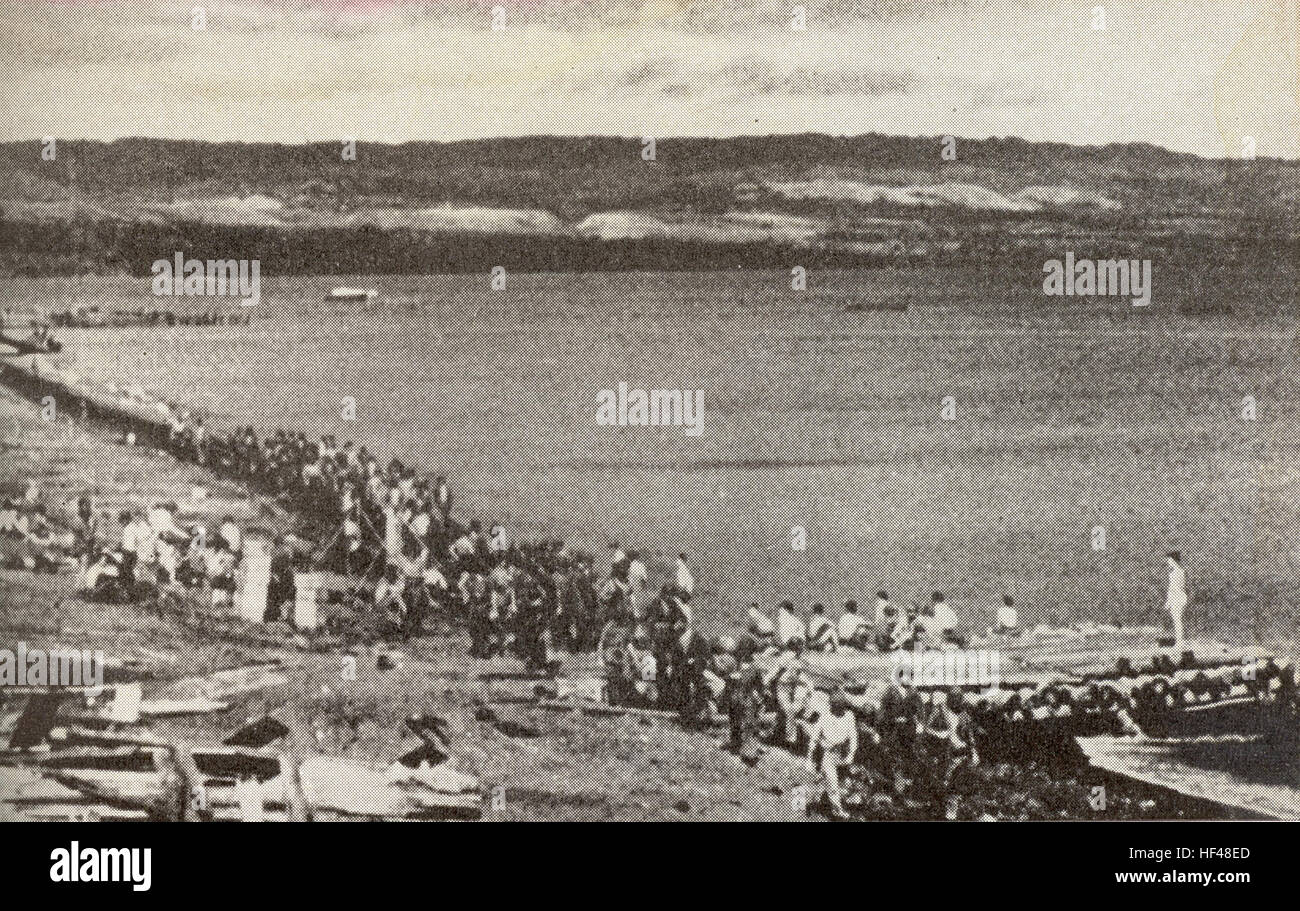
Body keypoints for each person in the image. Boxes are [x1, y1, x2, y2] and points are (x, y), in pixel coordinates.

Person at [807, 689, 858, 818]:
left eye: (840, 706)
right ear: (831, 705)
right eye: (834, 706)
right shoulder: (825, 715)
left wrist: (851, 754)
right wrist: (809, 758)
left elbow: (853, 736)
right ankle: (838, 813)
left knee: (842, 784)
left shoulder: (849, 716)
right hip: (828, 755)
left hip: (842, 753)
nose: (837, 709)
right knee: (833, 783)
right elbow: (814, 737)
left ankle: (826, 803)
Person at [1165, 551, 1187, 647]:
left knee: (1177, 619)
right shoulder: (1181, 571)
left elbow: (1172, 588)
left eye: (1169, 560)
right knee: (1178, 619)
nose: (1168, 562)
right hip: (1181, 596)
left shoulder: (1174, 573)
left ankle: (1179, 642)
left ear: (1174, 561)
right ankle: (1180, 640)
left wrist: (1168, 602)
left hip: (1176, 597)